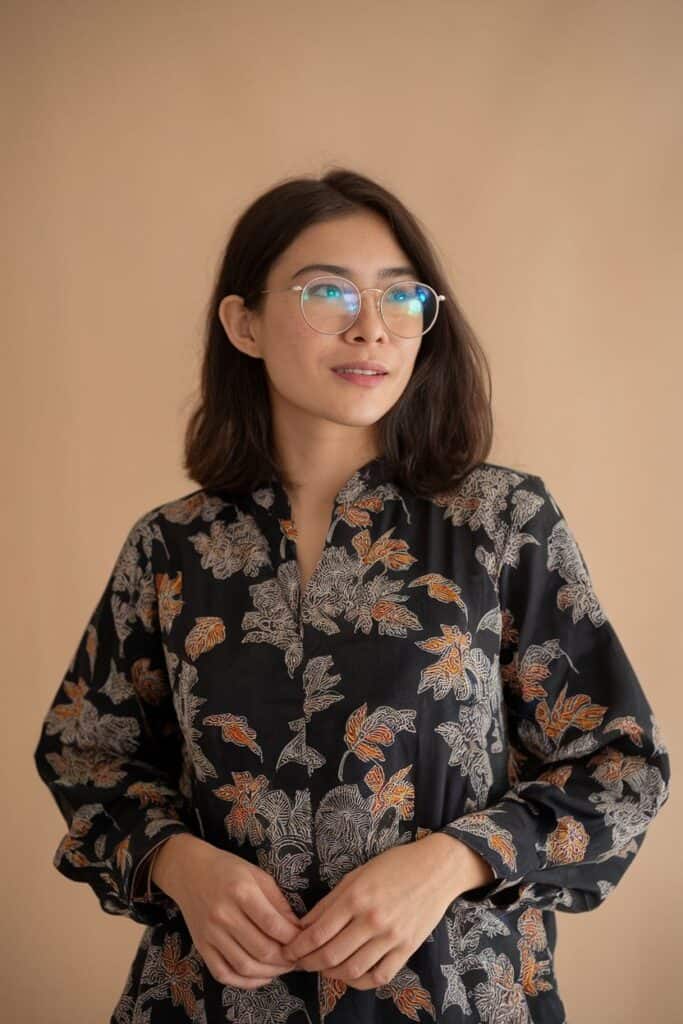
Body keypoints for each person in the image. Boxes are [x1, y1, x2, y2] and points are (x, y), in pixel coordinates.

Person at [34, 167, 671, 1024]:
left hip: (455, 999)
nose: (372, 328)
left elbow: (619, 765)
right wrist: (177, 862)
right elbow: (88, 755)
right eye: (327, 292)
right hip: (208, 1004)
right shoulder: (172, 547)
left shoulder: (500, 521)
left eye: (402, 298)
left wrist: (454, 859)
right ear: (244, 323)